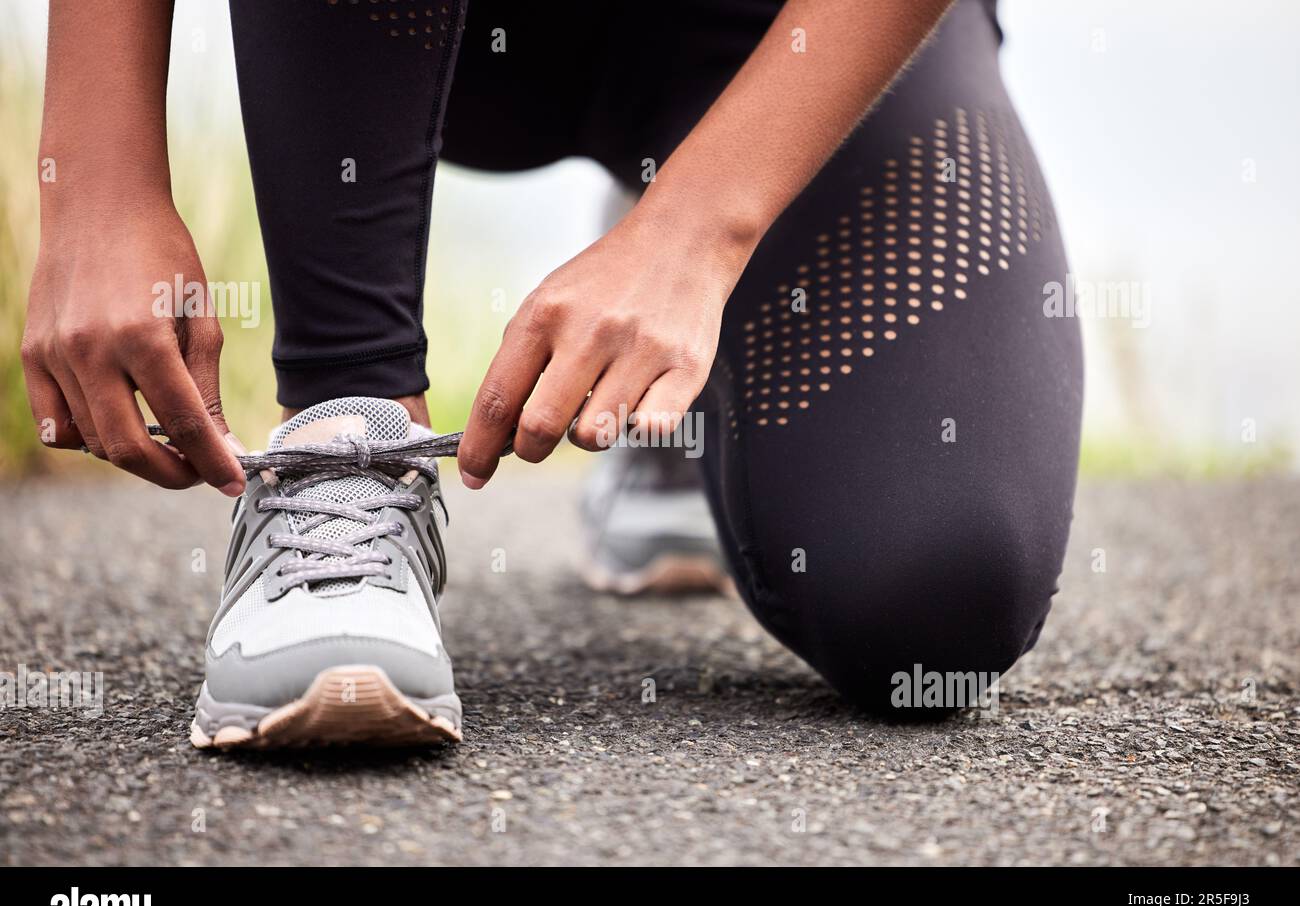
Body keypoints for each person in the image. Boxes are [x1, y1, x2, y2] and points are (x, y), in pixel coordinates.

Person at [22, 0, 1082, 747]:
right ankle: (347, 443)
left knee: (937, 594)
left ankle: (675, 376)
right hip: (418, 37)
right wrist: (95, 177)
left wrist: (699, 236)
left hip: (782, 35)